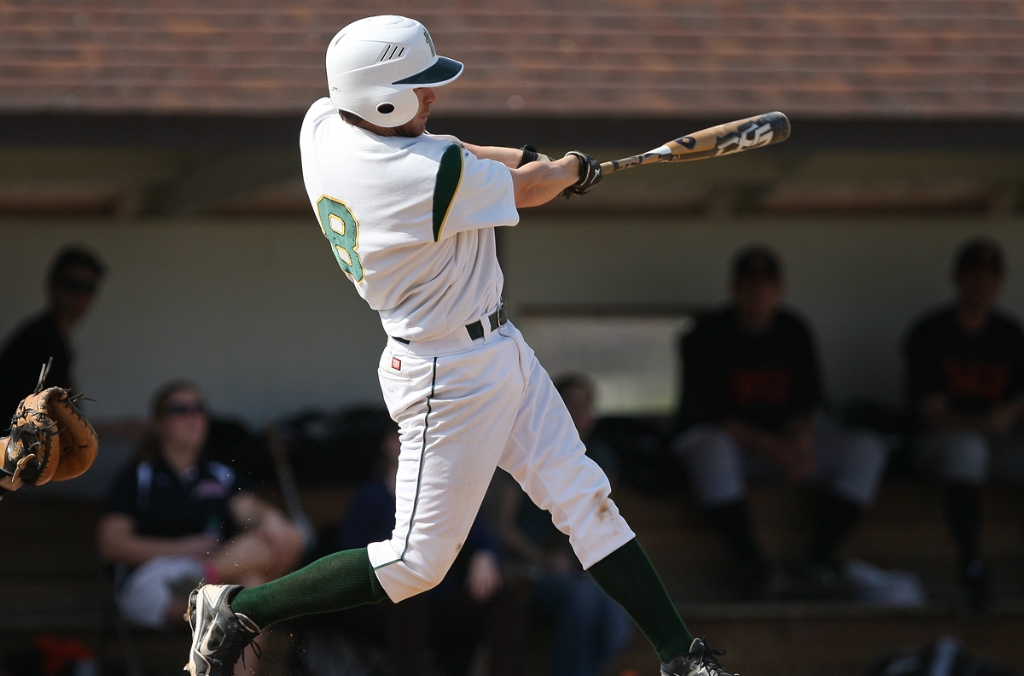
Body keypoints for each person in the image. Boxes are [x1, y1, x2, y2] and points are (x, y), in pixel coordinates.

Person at [182, 15, 729, 676]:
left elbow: (455, 148)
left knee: (583, 495)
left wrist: (547, 165)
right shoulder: (408, 178)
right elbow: (515, 186)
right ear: (380, 99)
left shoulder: (326, 123)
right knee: (415, 562)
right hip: (449, 372)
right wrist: (557, 170)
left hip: (492, 347)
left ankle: (680, 656)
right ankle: (242, 609)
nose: (432, 95)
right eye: (417, 86)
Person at [671, 245, 889, 600]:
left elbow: (810, 404)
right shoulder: (707, 334)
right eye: (750, 284)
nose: (758, 293)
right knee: (709, 447)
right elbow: (712, 415)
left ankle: (819, 559)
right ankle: (750, 563)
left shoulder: (793, 330)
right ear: (735, 287)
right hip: (735, 454)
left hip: (783, 453)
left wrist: (801, 441)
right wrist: (777, 448)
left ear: (779, 289)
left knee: (865, 448)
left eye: (766, 285)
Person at [97, 381, 304, 635]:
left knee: (281, 547)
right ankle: (201, 580)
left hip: (214, 573)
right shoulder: (139, 476)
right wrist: (182, 548)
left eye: (199, 409)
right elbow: (111, 545)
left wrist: (270, 517)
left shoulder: (219, 474)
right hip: (153, 577)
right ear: (159, 424)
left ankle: (203, 578)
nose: (193, 418)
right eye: (181, 410)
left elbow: (247, 509)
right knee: (247, 600)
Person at [307, 426, 509, 676]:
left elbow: (485, 539)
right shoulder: (369, 497)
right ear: (389, 444)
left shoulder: (447, 495)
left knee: (506, 592)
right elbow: (348, 555)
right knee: (408, 593)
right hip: (383, 603)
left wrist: (485, 554)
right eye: (406, 437)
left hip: (441, 602)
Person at [903, 238, 1024, 615]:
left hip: (1000, 444)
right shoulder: (931, 331)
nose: (981, 286)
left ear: (1000, 281)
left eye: (989, 278)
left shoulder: (1009, 334)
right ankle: (971, 564)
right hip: (938, 445)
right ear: (958, 279)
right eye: (973, 277)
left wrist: (1010, 414)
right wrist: (983, 421)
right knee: (966, 447)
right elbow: (931, 412)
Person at [494, 374, 633, 676]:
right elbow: (502, 528)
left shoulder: (600, 459)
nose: (579, 414)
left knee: (617, 619)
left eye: (585, 406)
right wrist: (543, 559)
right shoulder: (520, 454)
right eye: (569, 405)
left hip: (580, 570)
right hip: (525, 571)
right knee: (582, 599)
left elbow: (603, 526)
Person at [0, 246, 104, 420]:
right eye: (72, 284)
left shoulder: (52, 337)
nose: (79, 295)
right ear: (52, 286)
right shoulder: (40, 341)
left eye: (88, 287)